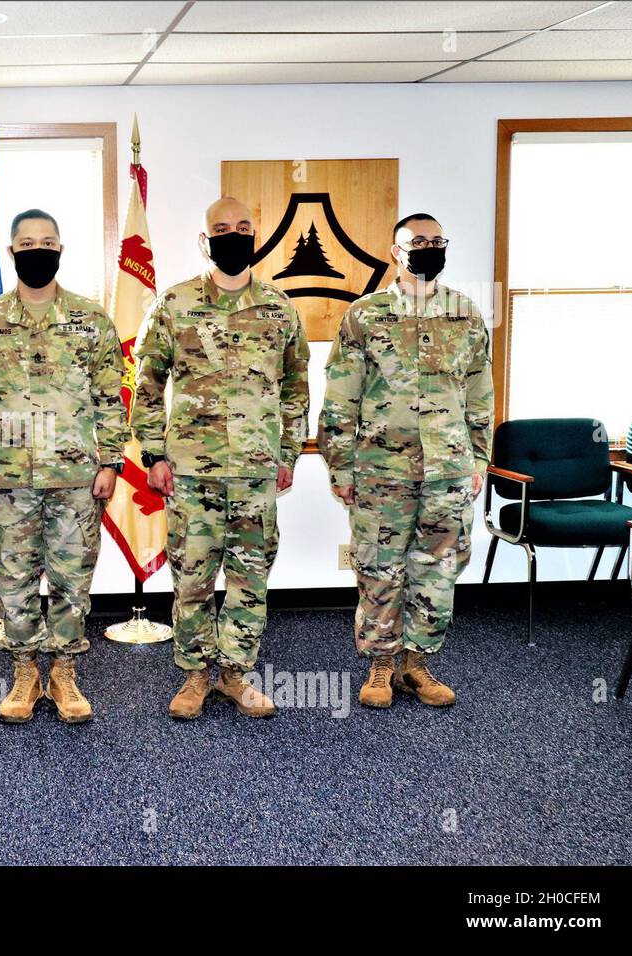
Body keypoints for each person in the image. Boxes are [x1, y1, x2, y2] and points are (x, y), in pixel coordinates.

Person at [133, 196, 310, 720]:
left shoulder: (279, 308)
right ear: (204, 240)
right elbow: (146, 384)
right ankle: (193, 676)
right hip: (190, 471)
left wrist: (289, 452)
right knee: (192, 576)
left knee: (250, 578)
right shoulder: (174, 303)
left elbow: (297, 387)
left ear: (256, 234)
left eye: (244, 226)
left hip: (256, 471)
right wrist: (153, 453)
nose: (234, 234)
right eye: (221, 228)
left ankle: (234, 675)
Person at [0, 209, 127, 723]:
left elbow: (110, 397)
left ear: (61, 249)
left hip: (75, 477)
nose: (37, 249)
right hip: (7, 479)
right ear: (12, 252)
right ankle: (26, 671)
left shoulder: (90, 319)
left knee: (73, 581)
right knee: (16, 579)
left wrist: (112, 459)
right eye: (27, 242)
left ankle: (65, 673)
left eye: (47, 241)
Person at [319, 213, 493, 708]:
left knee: (437, 568)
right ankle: (379, 667)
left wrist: (479, 458)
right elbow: (340, 398)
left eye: (438, 240)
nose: (429, 248)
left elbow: (481, 391)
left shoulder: (466, 312)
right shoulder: (365, 315)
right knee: (379, 567)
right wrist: (341, 466)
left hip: (449, 468)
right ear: (396, 250)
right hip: (380, 470)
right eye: (418, 241)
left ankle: (418, 665)